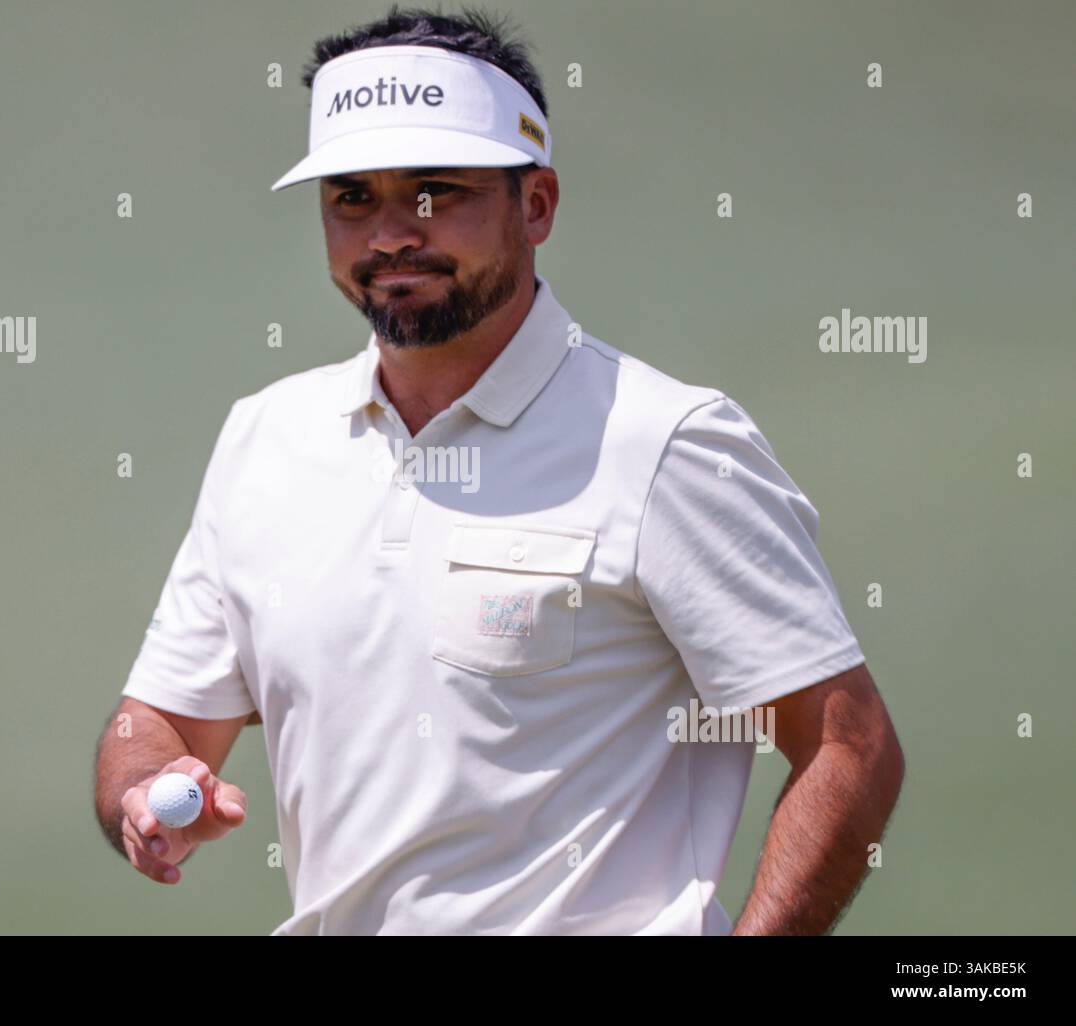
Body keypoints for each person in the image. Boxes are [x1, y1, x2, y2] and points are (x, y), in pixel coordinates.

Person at [93, 5, 904, 935]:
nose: (392, 233)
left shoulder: (668, 442)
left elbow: (850, 746)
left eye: (438, 191)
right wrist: (146, 787)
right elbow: (155, 718)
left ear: (539, 204)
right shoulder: (264, 437)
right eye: (352, 197)